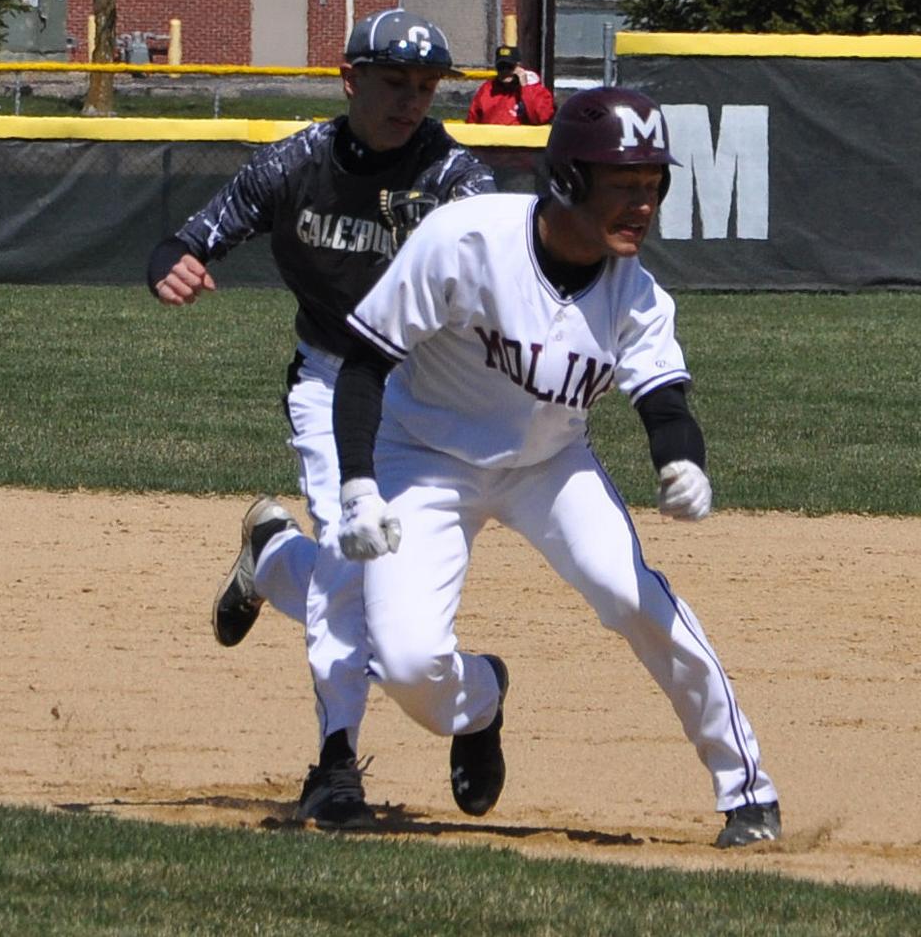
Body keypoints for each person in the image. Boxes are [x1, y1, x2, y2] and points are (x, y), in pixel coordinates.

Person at [331, 85, 782, 848]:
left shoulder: (636, 295)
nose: (644, 204)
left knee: (634, 597)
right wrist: (358, 485)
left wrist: (683, 464)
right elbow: (365, 363)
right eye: (625, 185)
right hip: (424, 455)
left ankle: (748, 790)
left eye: (653, 185)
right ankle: (481, 701)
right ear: (569, 178)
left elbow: (664, 403)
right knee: (407, 665)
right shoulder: (465, 241)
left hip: (550, 464)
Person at [147, 8, 497, 829]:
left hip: (430, 393)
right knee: (349, 561)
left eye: (426, 86)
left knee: (378, 590)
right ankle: (336, 764)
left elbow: (507, 265)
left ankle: (274, 560)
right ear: (349, 80)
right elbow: (193, 235)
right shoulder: (295, 163)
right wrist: (174, 263)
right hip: (331, 379)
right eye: (393, 82)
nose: (412, 100)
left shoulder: (454, 178)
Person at [465, 45, 555, 126]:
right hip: (491, 138)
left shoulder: (536, 90)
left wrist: (525, 87)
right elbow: (472, 122)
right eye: (501, 67)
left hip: (522, 138)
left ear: (519, 67)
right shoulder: (487, 89)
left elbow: (540, 118)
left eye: (509, 67)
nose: (505, 71)